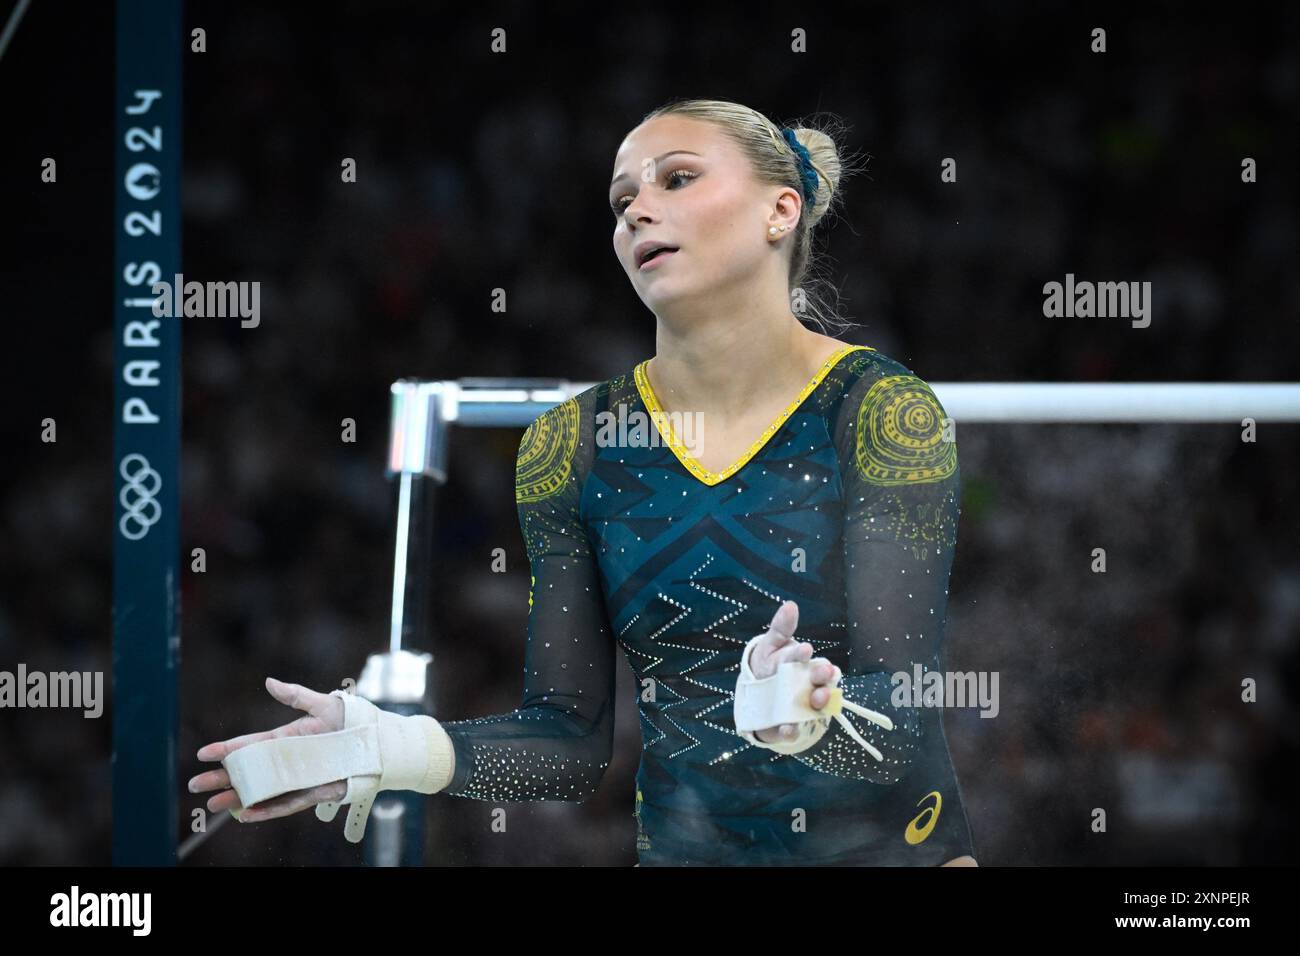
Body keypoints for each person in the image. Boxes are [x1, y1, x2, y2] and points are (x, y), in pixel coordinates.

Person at [189, 97, 978, 866]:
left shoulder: (878, 414)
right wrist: (386, 745)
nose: (637, 210)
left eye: (676, 179)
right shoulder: (572, 448)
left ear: (781, 210)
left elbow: (899, 719)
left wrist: (809, 715)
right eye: (622, 197)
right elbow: (566, 745)